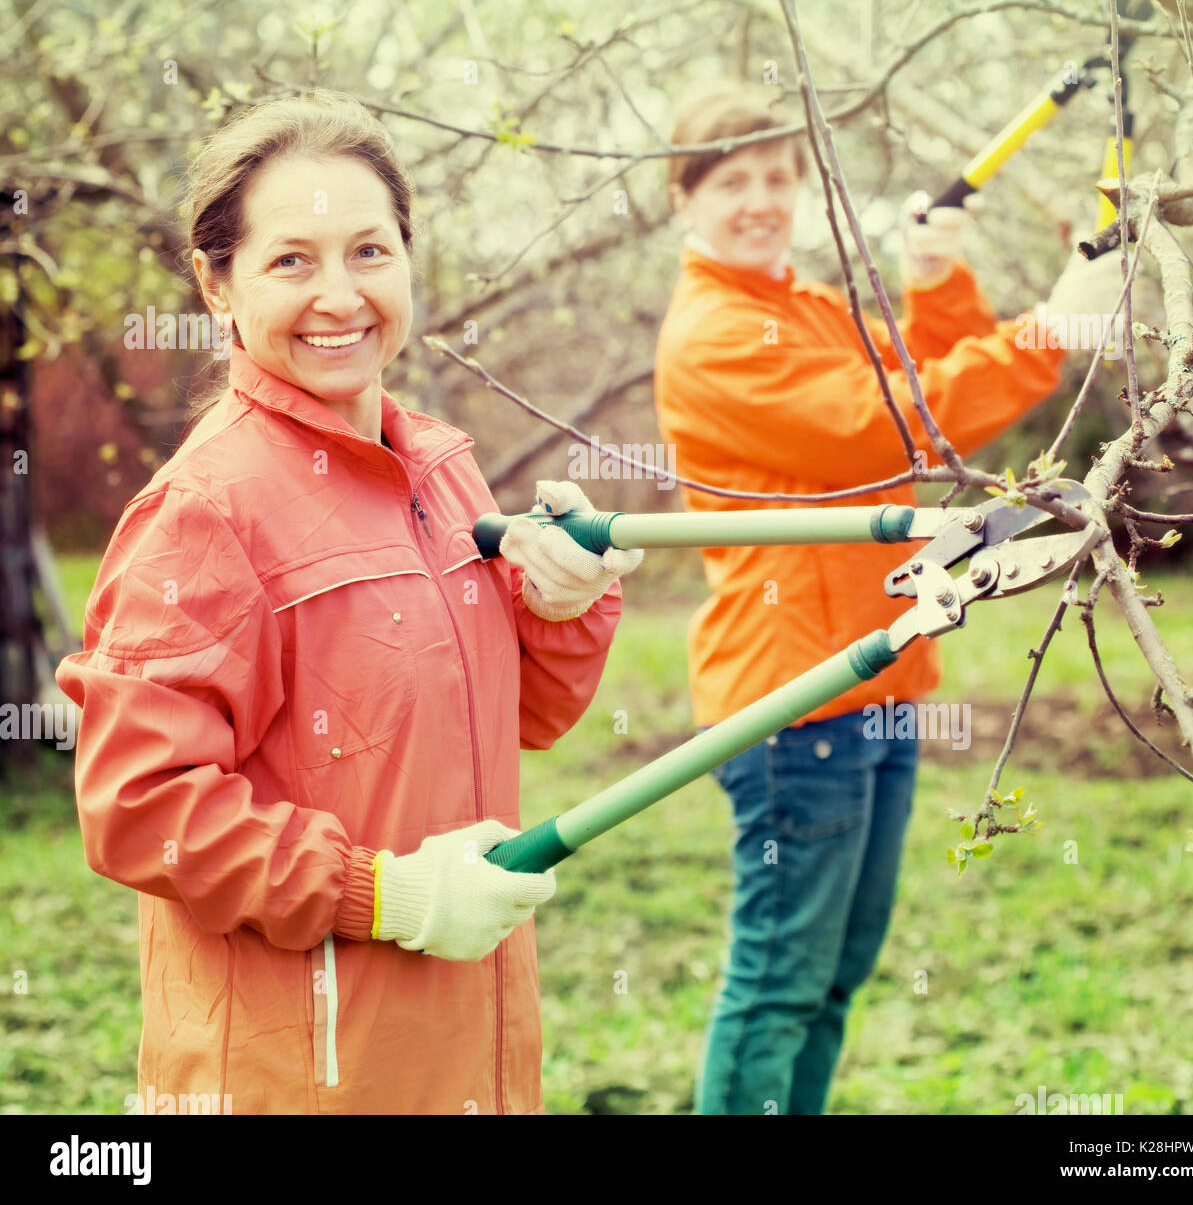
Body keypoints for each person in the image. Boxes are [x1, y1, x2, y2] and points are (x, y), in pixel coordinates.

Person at [55, 89, 642, 1115]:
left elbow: (520, 721)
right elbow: (140, 810)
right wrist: (389, 893)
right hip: (304, 1078)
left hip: (470, 1052)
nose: (341, 294)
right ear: (216, 283)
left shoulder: (439, 470)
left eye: (370, 251)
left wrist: (564, 607)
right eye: (293, 260)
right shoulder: (205, 514)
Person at [653, 80, 1114, 1116]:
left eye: (779, 176)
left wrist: (937, 277)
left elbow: (925, 373)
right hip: (794, 700)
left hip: (878, 678)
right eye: (732, 181)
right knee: (779, 985)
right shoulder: (716, 335)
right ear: (684, 199)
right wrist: (1049, 332)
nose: (763, 199)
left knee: (831, 981)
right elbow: (881, 423)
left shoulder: (803, 306)